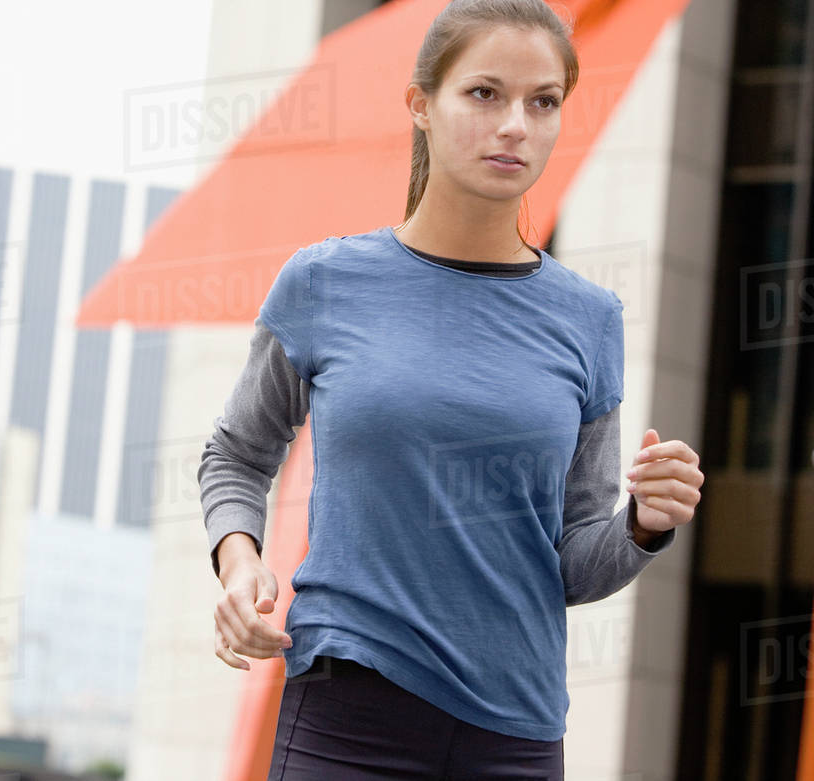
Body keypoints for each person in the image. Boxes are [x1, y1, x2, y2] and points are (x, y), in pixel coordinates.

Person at [196, 0, 706, 778]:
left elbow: (572, 561)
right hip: (346, 715)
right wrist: (240, 564)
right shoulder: (324, 282)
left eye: (543, 102)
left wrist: (642, 524)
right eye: (485, 93)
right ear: (421, 104)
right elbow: (236, 453)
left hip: (514, 734)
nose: (515, 126)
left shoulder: (591, 320)